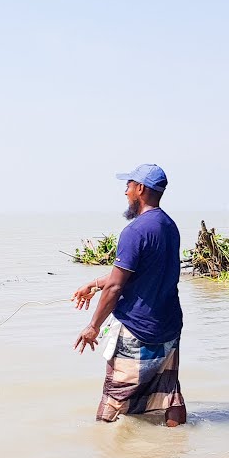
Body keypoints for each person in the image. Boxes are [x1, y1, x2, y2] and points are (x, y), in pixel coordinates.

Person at [72, 164, 186, 426]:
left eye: (129, 186)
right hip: (168, 327)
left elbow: (116, 287)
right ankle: (177, 447)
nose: (125, 191)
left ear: (141, 189)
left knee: (114, 399)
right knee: (169, 394)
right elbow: (141, 273)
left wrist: (93, 326)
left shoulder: (135, 231)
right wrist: (94, 283)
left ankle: (105, 453)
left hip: (137, 328)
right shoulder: (169, 226)